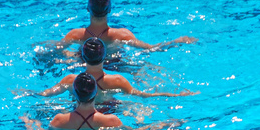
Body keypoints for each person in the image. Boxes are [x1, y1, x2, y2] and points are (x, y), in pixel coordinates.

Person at [19, 72, 184, 130]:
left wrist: (27, 121)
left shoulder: (60, 120)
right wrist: (166, 126)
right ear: (96, 93)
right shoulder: (110, 120)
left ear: (74, 94)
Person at [14, 38, 198, 100]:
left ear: (82, 57)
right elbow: (143, 95)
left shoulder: (70, 80)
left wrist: (26, 92)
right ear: (105, 58)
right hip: (109, 111)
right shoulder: (117, 81)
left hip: (79, 114)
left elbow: (45, 94)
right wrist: (176, 95)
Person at [55, 0, 197, 51]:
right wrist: (177, 41)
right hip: (117, 66)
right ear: (110, 10)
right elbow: (151, 49)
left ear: (87, 9)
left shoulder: (75, 35)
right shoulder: (122, 35)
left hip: (85, 66)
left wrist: (71, 56)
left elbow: (56, 50)